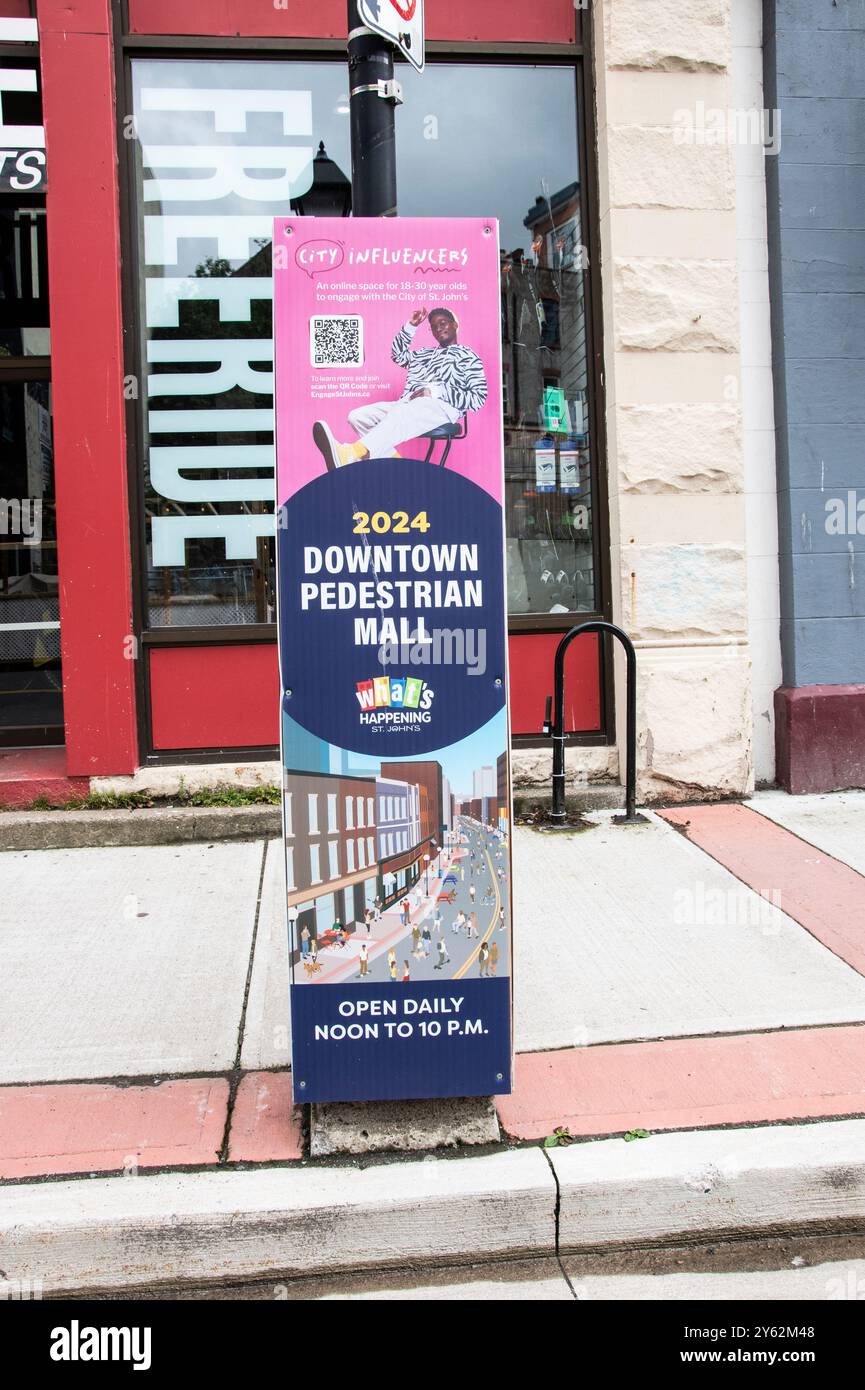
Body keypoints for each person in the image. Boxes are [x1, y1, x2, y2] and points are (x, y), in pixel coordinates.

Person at [312, 307, 488, 471]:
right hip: (408, 404)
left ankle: (352, 453)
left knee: (415, 407)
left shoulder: (469, 356)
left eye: (443, 323)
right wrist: (411, 326)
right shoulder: (424, 354)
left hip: (442, 407)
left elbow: (478, 398)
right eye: (434, 326)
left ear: (455, 325)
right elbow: (398, 355)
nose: (438, 329)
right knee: (357, 417)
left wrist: (436, 392)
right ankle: (396, 465)